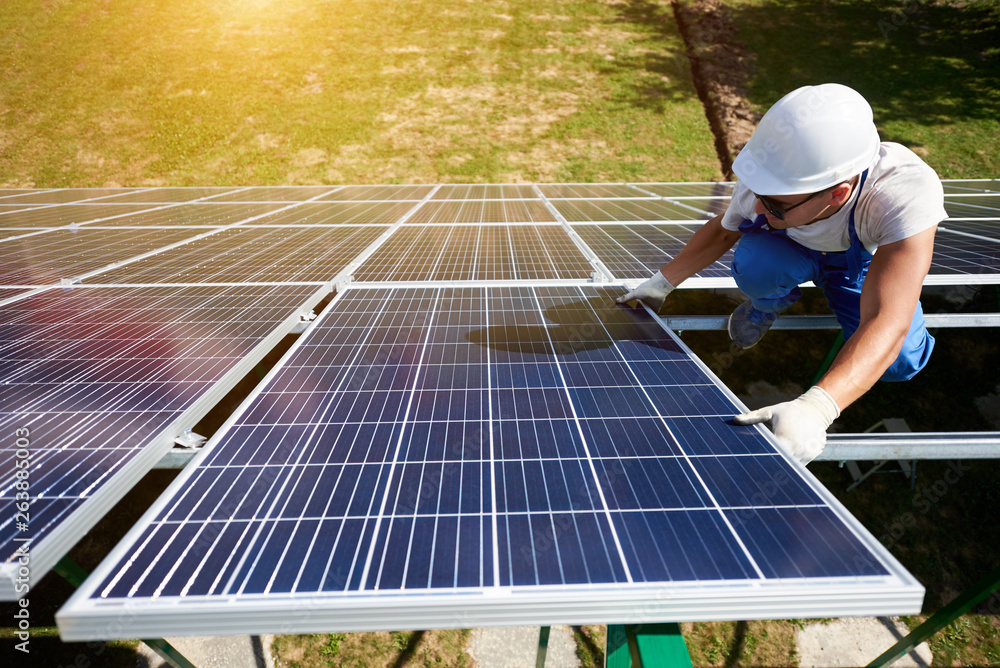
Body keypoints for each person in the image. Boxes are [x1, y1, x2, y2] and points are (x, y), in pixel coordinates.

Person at [617, 83, 946, 464]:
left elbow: (887, 320)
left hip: (860, 261)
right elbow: (725, 229)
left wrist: (818, 407)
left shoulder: (902, 193)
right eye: (759, 191)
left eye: (773, 202)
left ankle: (841, 290)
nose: (756, 203)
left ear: (837, 193)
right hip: (787, 247)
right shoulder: (774, 177)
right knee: (757, 266)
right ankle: (766, 303)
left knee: (898, 363)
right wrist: (661, 283)